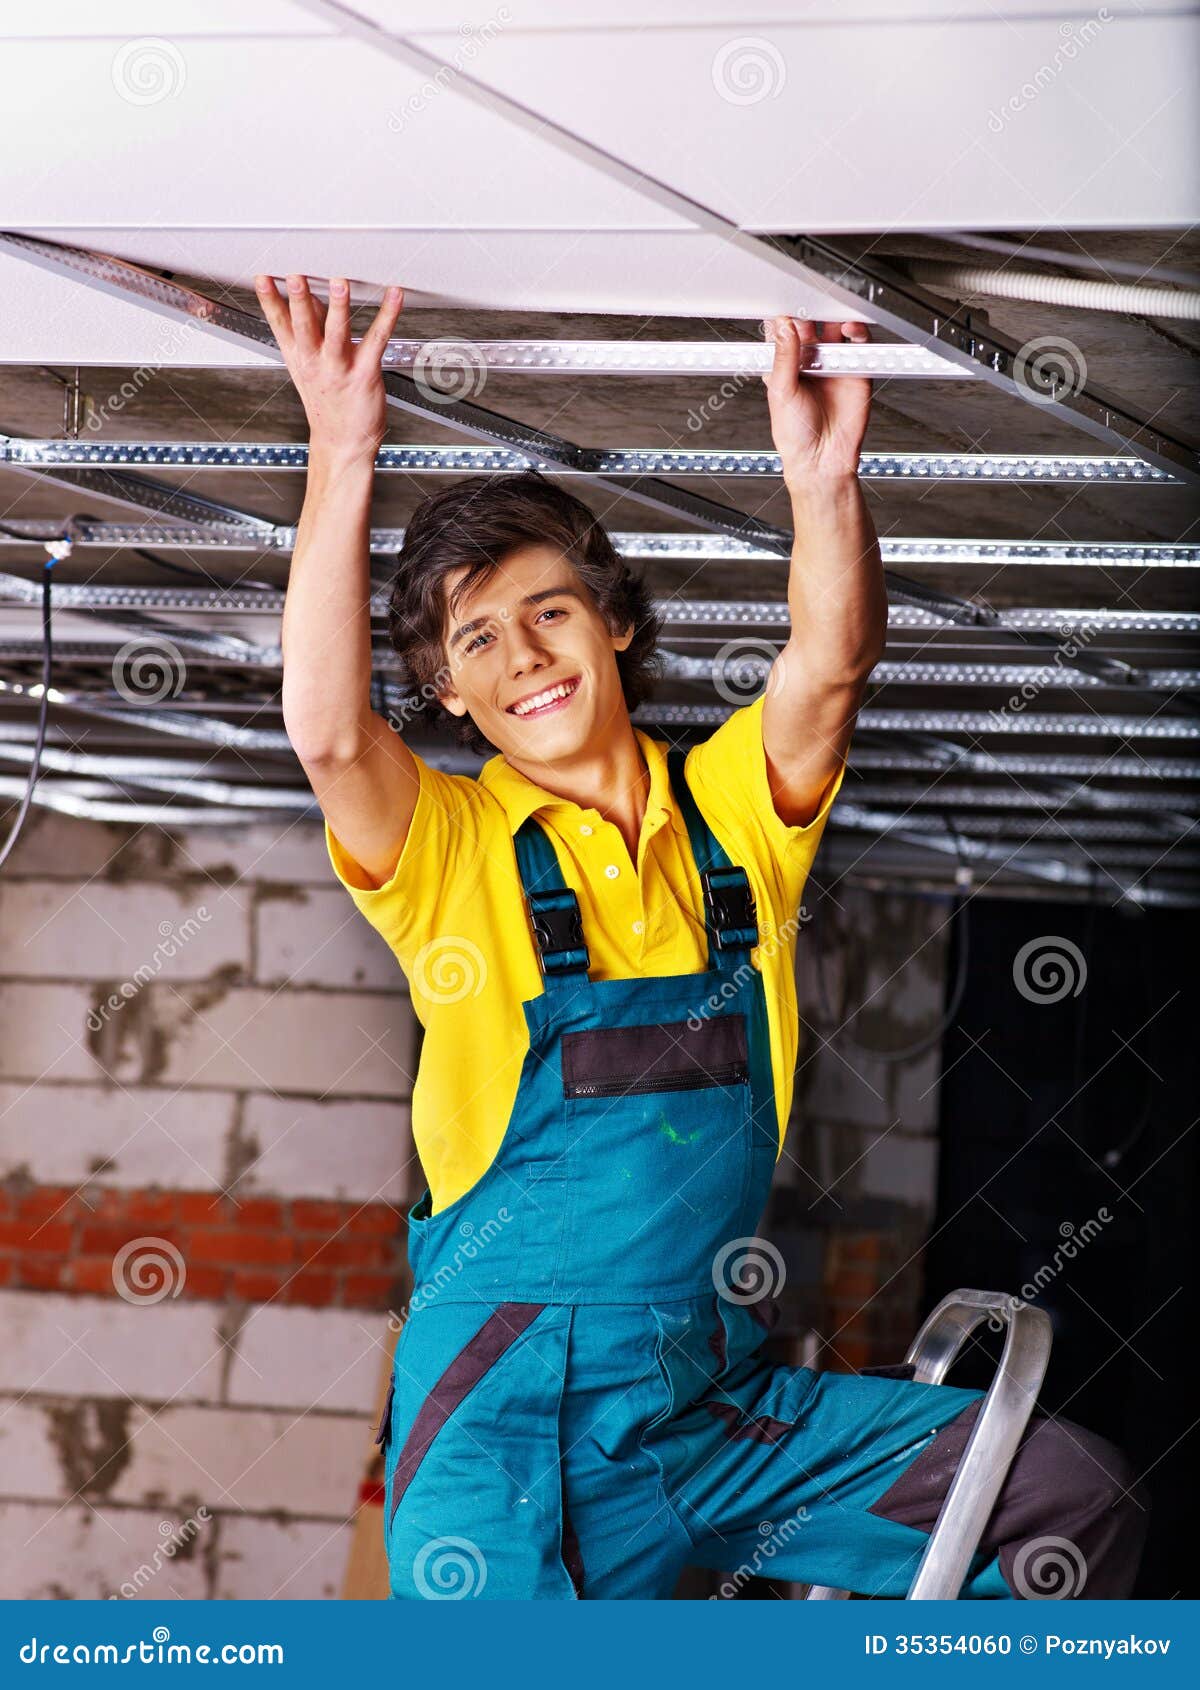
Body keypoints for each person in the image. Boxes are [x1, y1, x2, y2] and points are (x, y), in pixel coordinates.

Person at [261, 272, 1148, 1601]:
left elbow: (829, 668)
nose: (525, 656)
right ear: (447, 692)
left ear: (613, 621)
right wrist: (343, 448)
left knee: (1066, 1496)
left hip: (703, 1413)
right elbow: (331, 736)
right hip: (500, 1447)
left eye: (550, 611)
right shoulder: (447, 852)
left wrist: (821, 483)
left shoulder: (733, 820)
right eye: (478, 640)